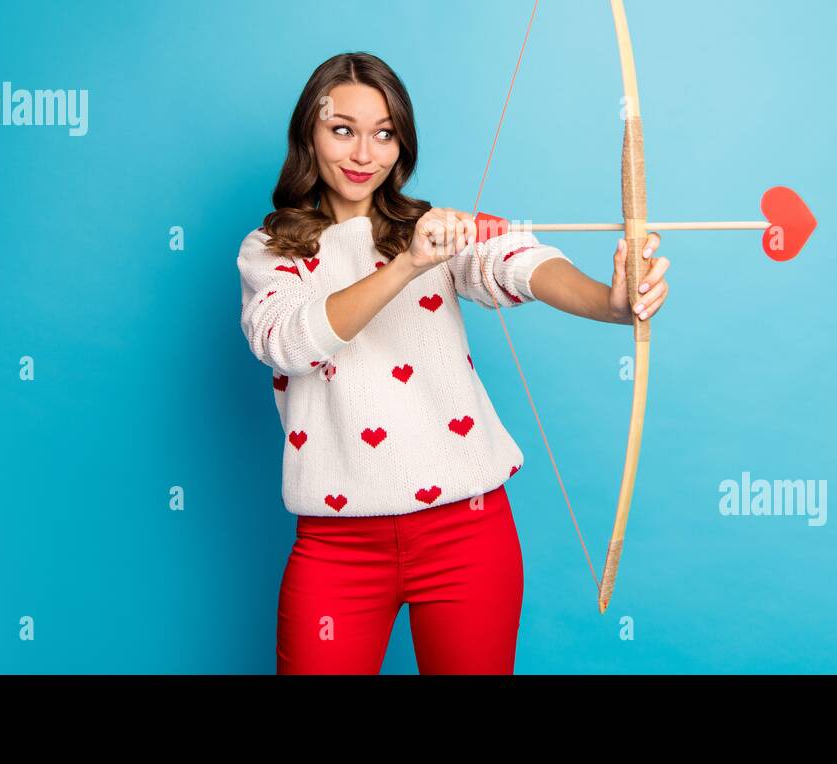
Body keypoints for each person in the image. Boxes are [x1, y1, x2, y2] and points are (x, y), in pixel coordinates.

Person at [237, 51, 670, 674]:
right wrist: (408, 263)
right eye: (342, 130)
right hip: (337, 543)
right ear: (309, 132)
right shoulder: (270, 249)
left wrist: (611, 302)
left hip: (466, 533)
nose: (364, 154)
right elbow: (288, 340)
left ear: (401, 144)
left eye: (384, 134)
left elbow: (515, 260)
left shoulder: (430, 228)